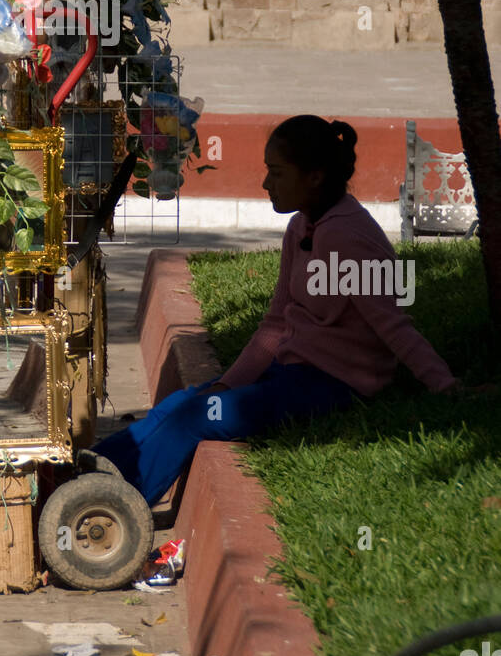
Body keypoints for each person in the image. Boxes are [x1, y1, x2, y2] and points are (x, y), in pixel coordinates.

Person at [93, 115, 466, 509]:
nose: (266, 183)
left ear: (315, 177)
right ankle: (93, 471)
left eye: (277, 173)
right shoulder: (303, 225)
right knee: (183, 401)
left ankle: (115, 505)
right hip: (292, 372)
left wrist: (446, 387)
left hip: (334, 387)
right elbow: (275, 323)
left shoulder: (347, 235)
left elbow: (394, 326)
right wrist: (228, 383)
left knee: (198, 415)